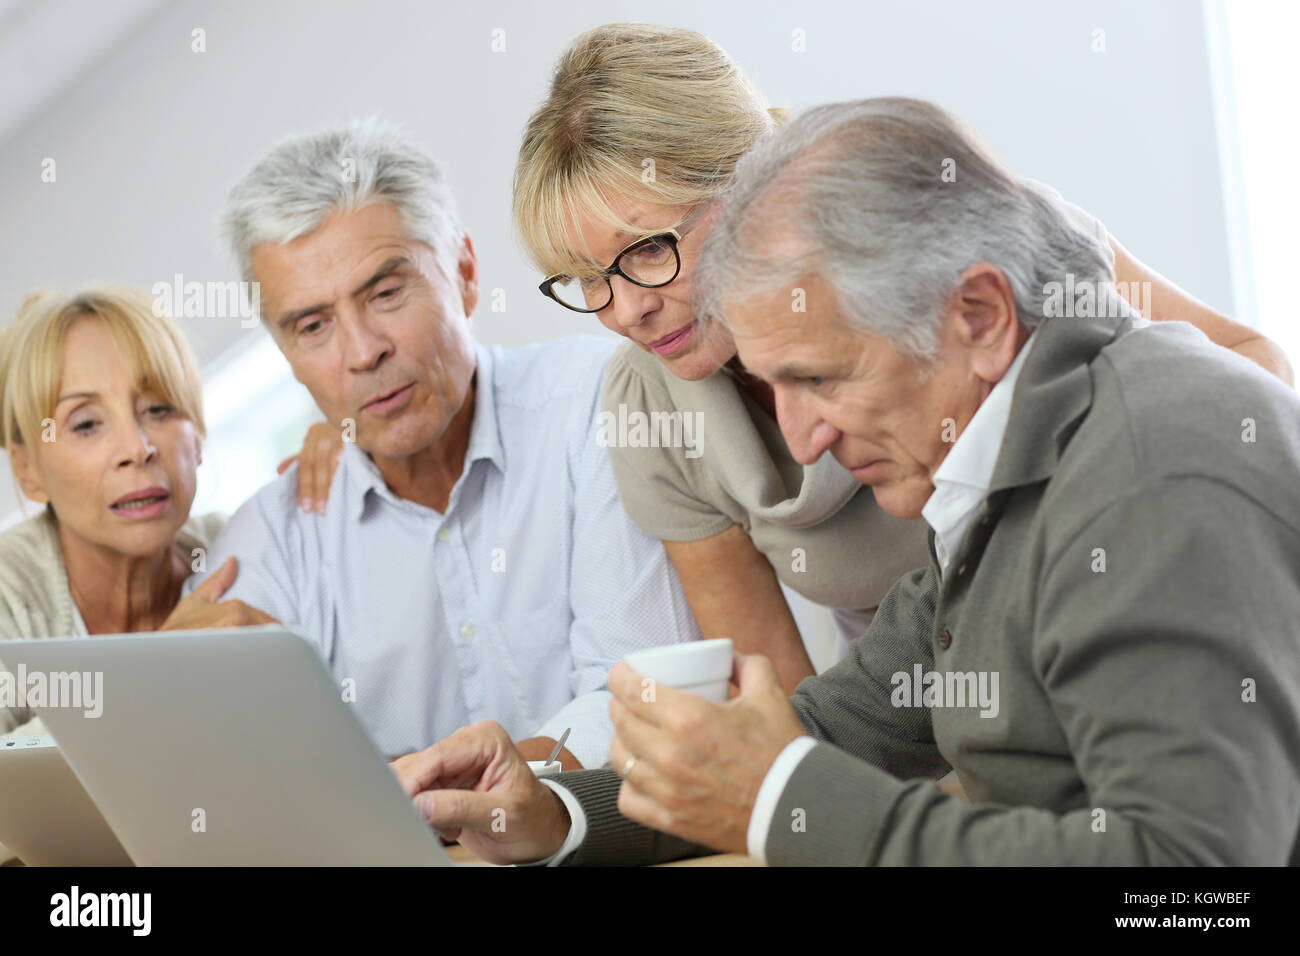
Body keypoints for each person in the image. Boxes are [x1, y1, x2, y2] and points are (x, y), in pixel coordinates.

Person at [395, 97, 1300, 866]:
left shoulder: (1151, 471)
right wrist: (558, 811)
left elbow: (1196, 893)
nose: (802, 435)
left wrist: (791, 798)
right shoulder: (997, 478)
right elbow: (834, 727)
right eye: (774, 384)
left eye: (821, 378)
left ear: (978, 316)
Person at [510, 23, 1295, 694]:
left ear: (751, 179)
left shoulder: (969, 241)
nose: (623, 308)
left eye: (647, 250)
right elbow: (785, 716)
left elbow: (1241, 375)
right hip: (920, 730)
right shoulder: (652, 408)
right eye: (585, 279)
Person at [189, 118, 699, 770]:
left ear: (462, 272)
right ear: (285, 352)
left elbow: (641, 691)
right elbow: (239, 782)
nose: (363, 351)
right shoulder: (269, 545)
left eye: (385, 292)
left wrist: (457, 795)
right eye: (312, 325)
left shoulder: (597, 407)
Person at [0, 285, 283, 740]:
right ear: (28, 469)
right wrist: (152, 682)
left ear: (199, 436)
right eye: (87, 424)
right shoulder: (11, 597)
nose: (138, 448)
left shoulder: (248, 546)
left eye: (158, 409)